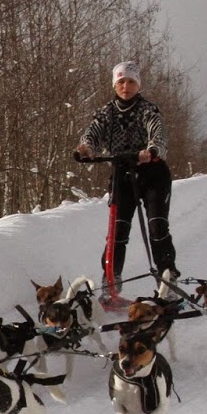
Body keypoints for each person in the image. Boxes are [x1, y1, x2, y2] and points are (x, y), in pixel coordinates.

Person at [74, 60, 178, 306]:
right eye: (121, 82)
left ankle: (168, 281)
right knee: (117, 231)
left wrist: (152, 150)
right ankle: (110, 282)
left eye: (131, 82)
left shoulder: (147, 109)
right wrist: (86, 148)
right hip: (123, 174)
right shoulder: (106, 113)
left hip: (153, 174)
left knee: (157, 227)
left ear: (138, 84)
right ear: (115, 84)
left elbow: (158, 133)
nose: (126, 87)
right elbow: (93, 133)